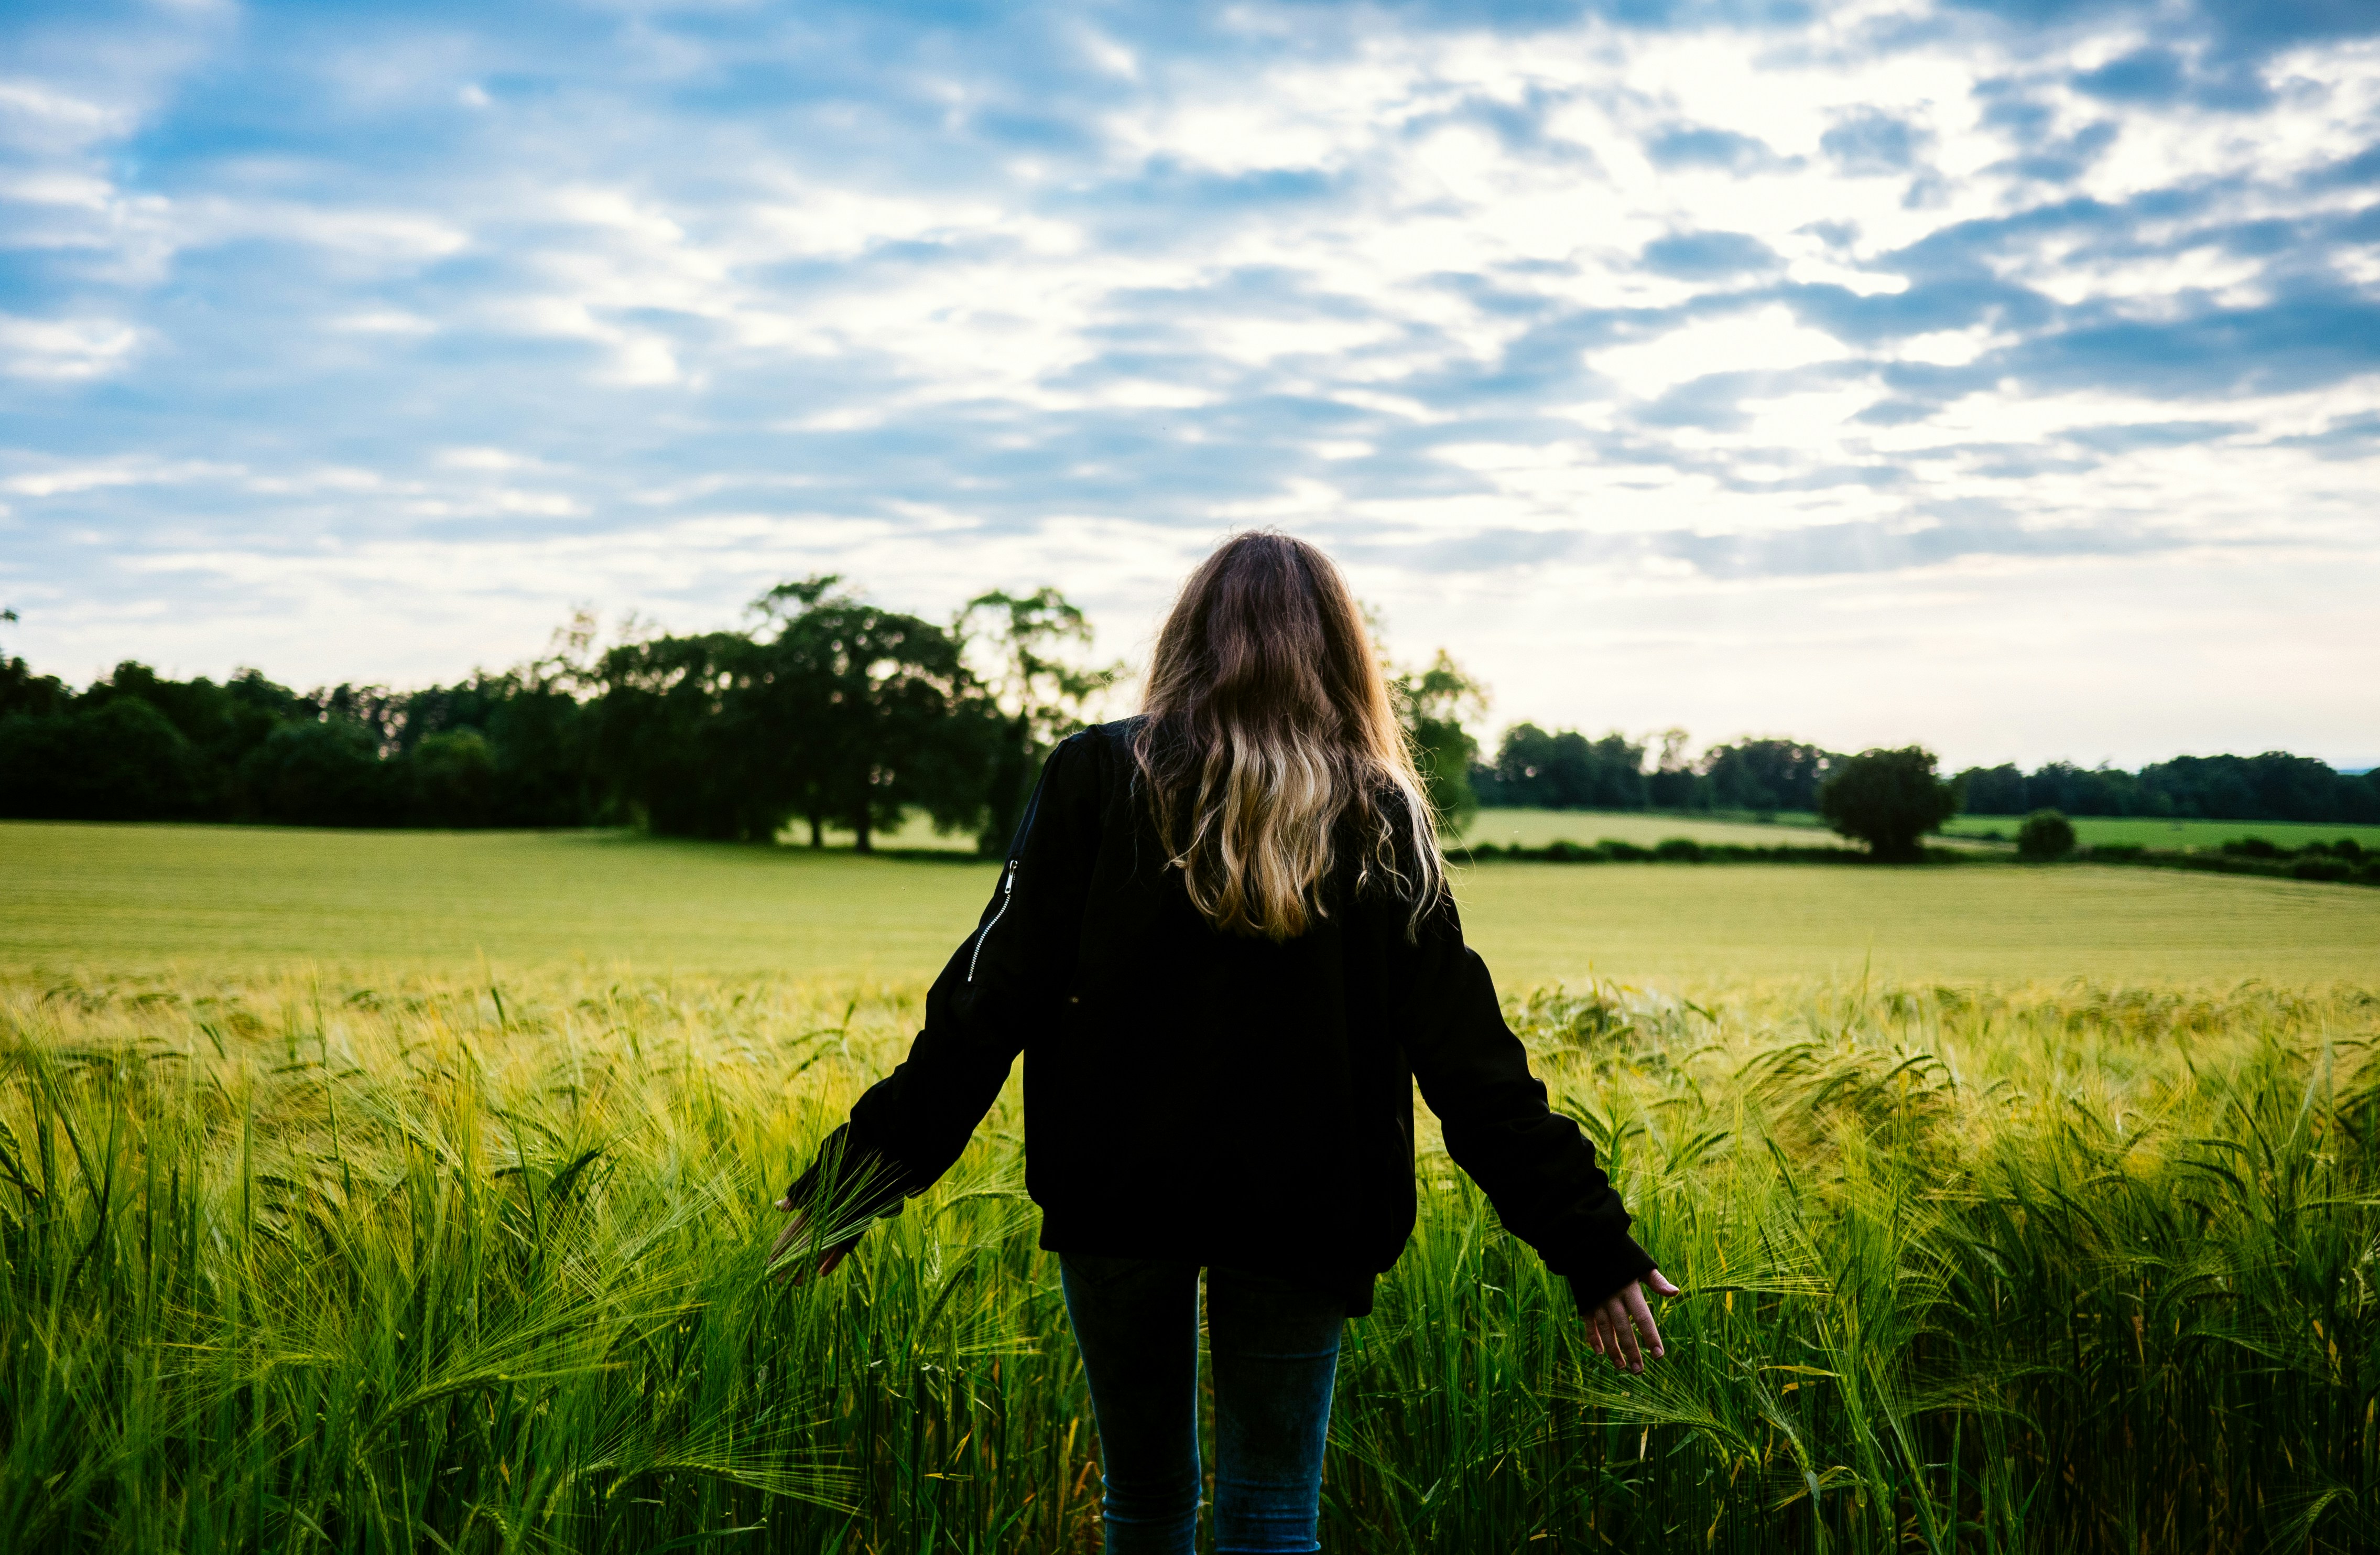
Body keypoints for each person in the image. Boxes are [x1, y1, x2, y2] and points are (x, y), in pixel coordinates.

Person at [770, 530, 1676, 1555]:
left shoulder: (1093, 778)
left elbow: (982, 1011)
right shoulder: (1378, 811)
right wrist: (1590, 1244)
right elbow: (1472, 1060)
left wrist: (849, 1188)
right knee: (1273, 1512)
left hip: (1118, 1204)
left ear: (1186, 640)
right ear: (1338, 655)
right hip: (1308, 1212)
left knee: (1146, 1505)